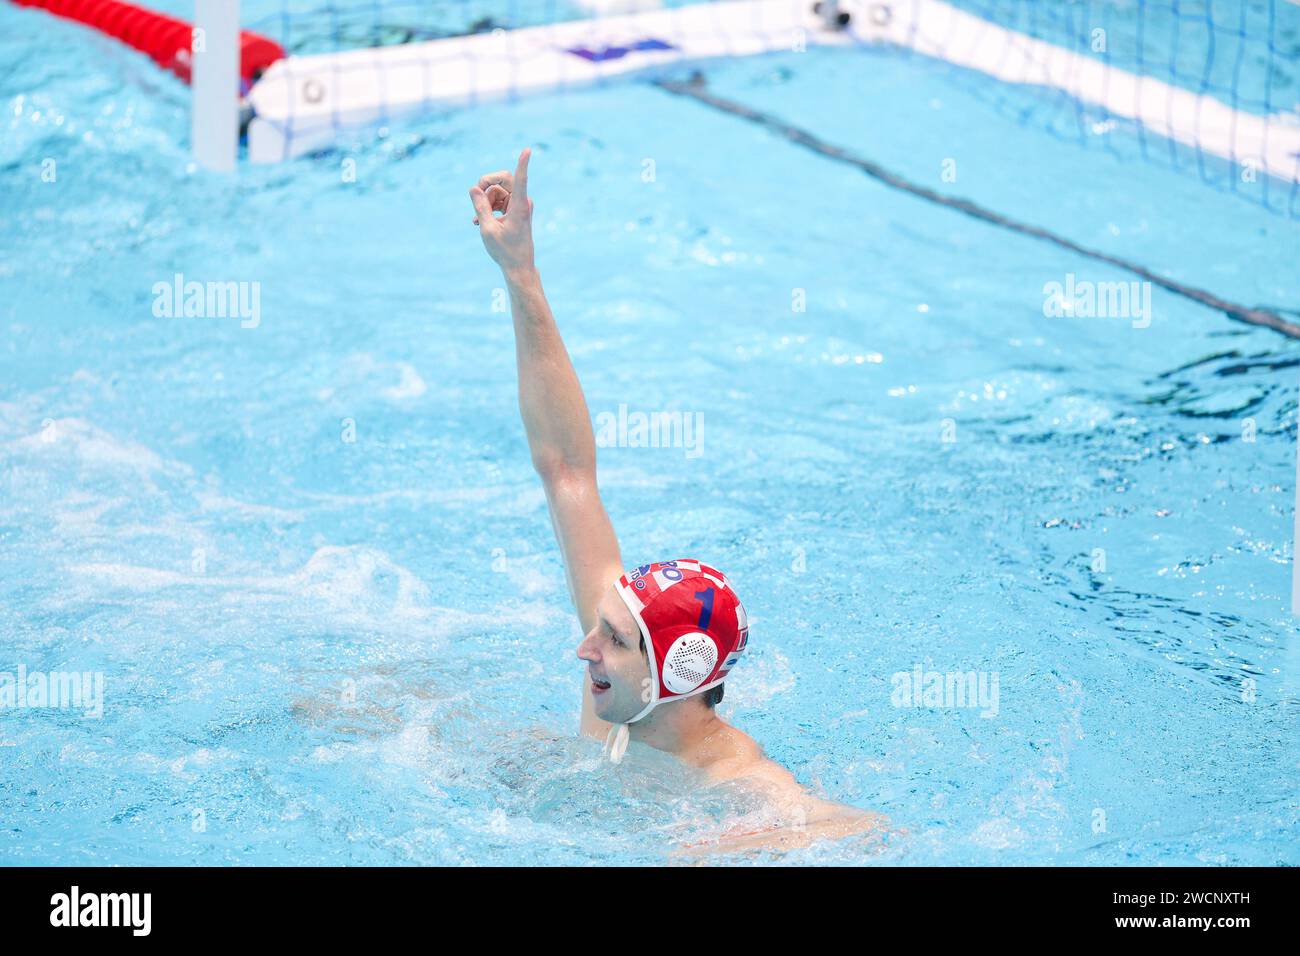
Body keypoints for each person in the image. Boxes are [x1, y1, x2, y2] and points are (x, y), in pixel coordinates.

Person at [469, 149, 884, 850]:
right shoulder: (626, 697)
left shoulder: (737, 782)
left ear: (680, 670)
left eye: (614, 641)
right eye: (603, 627)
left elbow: (872, 832)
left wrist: (727, 847)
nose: (584, 648)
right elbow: (566, 468)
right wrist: (520, 271)